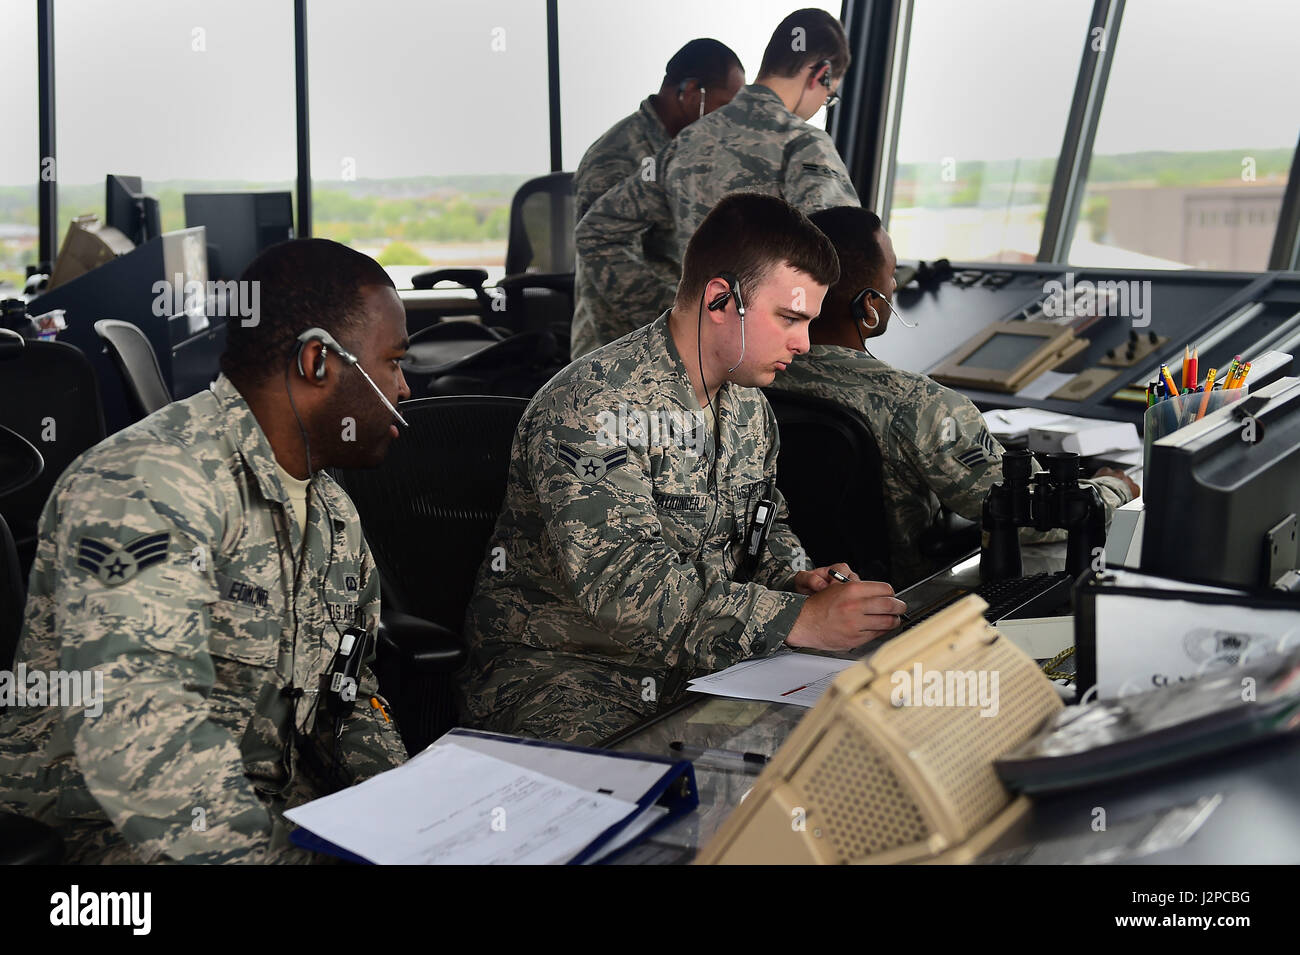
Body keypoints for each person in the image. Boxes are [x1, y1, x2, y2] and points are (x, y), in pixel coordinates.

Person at [0, 239, 412, 863]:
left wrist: (405, 814)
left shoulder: (331, 511)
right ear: (318, 361)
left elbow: (349, 695)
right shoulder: (148, 485)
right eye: (393, 362)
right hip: (108, 833)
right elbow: (142, 746)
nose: (404, 389)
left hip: (269, 809)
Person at [462, 194, 905, 746]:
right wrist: (796, 620)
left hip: (700, 662)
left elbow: (764, 526)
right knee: (636, 798)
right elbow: (626, 590)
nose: (804, 343)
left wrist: (798, 579)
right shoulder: (596, 406)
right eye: (790, 318)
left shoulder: (747, 405)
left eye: (809, 322)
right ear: (721, 300)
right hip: (570, 670)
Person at [777, 206, 1140, 587]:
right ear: (869, 304)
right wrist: (1114, 489)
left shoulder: (754, 380)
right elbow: (1027, 515)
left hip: (799, 588)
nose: (895, 287)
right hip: (904, 600)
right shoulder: (918, 403)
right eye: (890, 276)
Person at [571, 8, 858, 359]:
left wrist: (682, 317)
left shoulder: (686, 141)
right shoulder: (803, 144)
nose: (819, 108)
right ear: (821, 74)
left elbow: (596, 232)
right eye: (829, 98)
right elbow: (849, 265)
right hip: (774, 366)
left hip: (696, 361)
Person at [572, 39, 745, 362]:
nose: (728, 123)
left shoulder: (688, 155)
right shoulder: (618, 155)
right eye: (725, 107)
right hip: (616, 352)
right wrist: (682, 318)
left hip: (673, 342)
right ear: (692, 91)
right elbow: (602, 258)